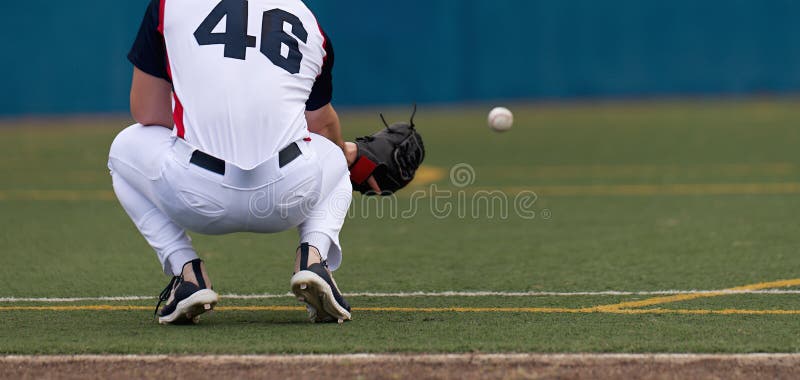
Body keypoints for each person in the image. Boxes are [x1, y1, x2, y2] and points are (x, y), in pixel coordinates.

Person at [109, 0, 378, 324]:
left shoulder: (168, 5)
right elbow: (320, 123)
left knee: (123, 148)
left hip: (195, 194)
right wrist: (347, 155)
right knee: (332, 152)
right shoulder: (307, 21)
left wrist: (203, 123)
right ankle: (314, 257)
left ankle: (187, 272)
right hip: (287, 193)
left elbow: (147, 113)